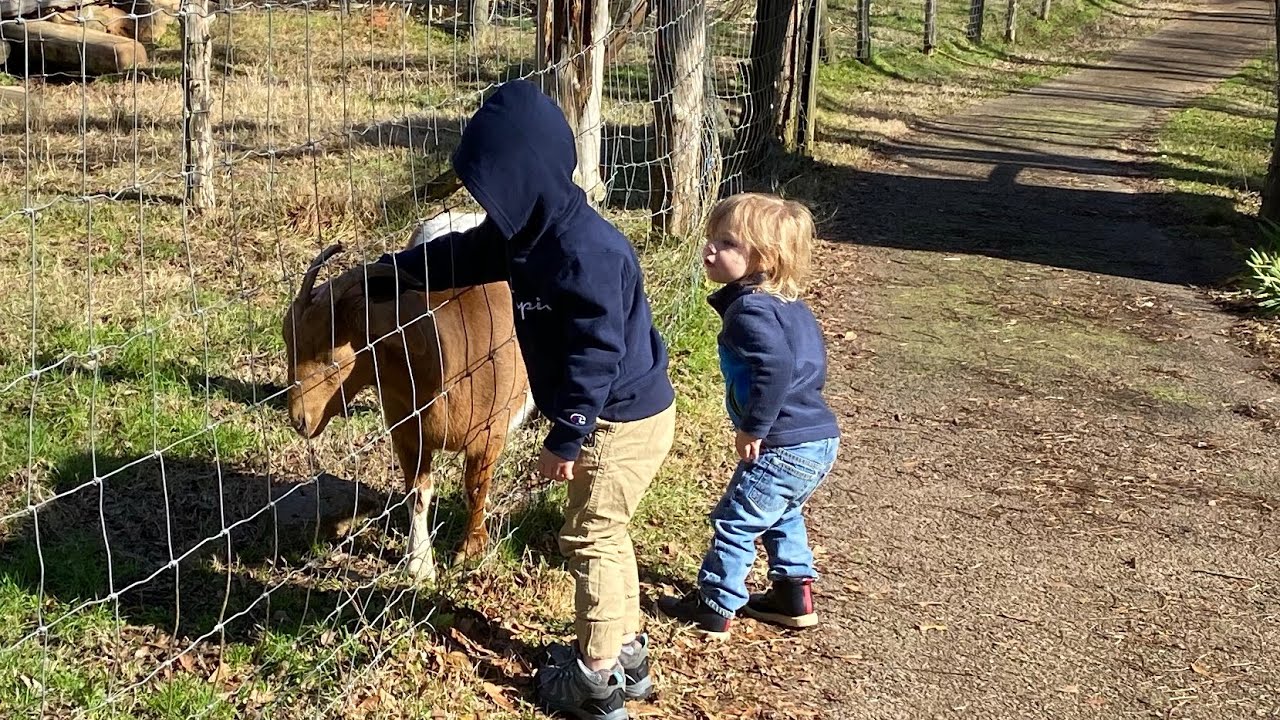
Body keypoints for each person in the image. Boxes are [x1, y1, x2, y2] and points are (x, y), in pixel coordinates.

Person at [377, 79, 675, 720]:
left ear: (526, 176)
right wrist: (393, 270)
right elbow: (460, 256)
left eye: (493, 186)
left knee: (589, 538)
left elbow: (598, 354)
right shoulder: (525, 234)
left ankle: (595, 683)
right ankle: (627, 653)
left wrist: (566, 434)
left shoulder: (583, 253)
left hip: (617, 418)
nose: (486, 202)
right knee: (608, 530)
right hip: (612, 414)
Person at [657, 192, 840, 639]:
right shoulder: (789, 305)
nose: (710, 250)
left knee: (735, 519)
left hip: (783, 441)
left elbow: (775, 368)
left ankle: (715, 605)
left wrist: (755, 426)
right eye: (711, 239)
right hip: (818, 436)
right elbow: (812, 362)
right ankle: (793, 595)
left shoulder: (748, 311)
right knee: (782, 513)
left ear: (764, 257)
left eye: (727, 243)